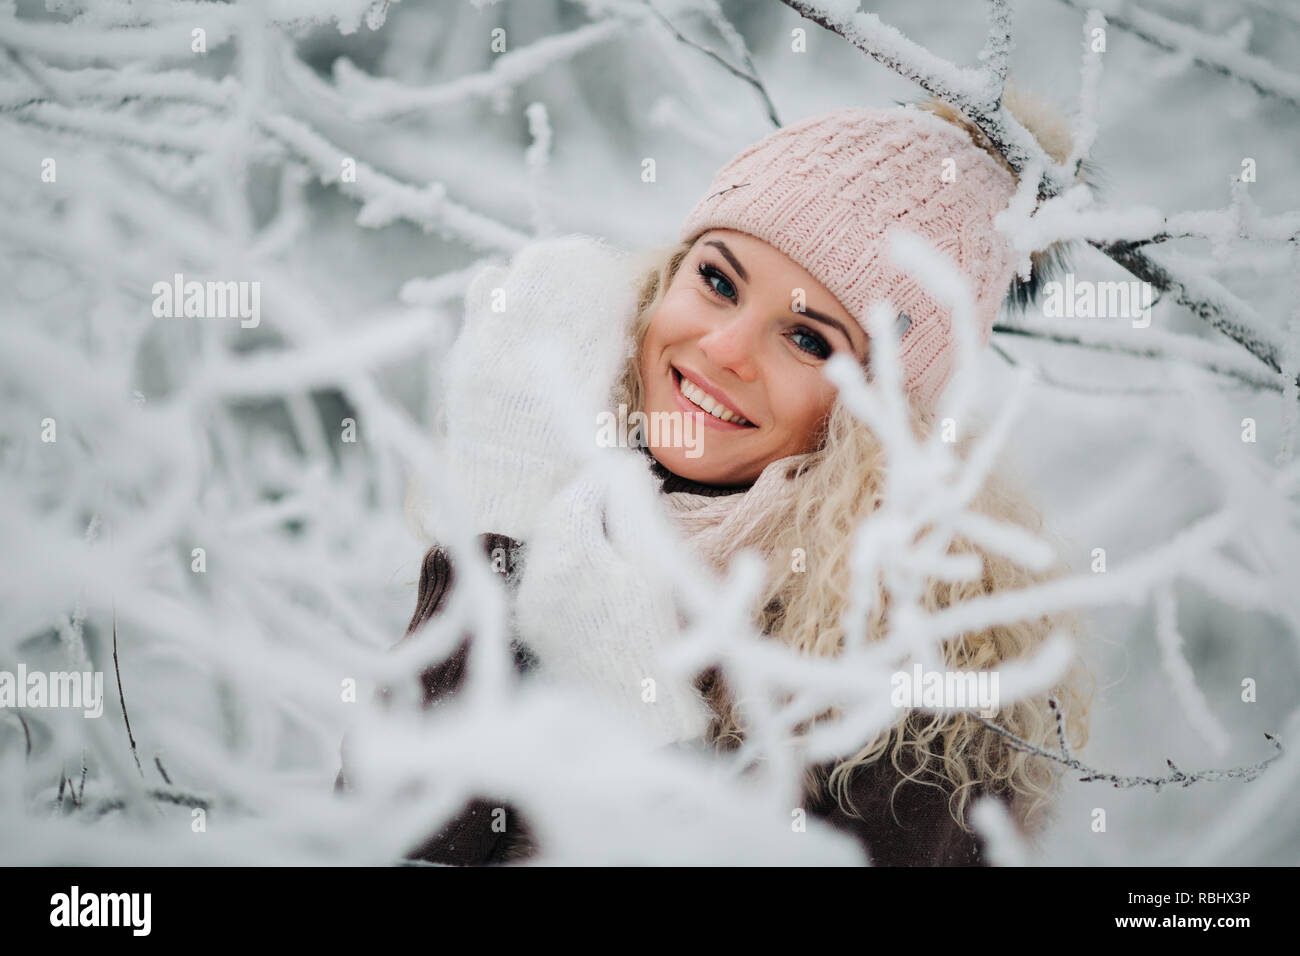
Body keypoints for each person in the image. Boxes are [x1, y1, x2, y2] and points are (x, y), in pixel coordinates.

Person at [335, 87, 1095, 866]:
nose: (726, 348)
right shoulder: (574, 516)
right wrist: (506, 523)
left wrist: (642, 718)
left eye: (806, 338)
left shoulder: (916, 678)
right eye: (718, 282)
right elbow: (383, 833)